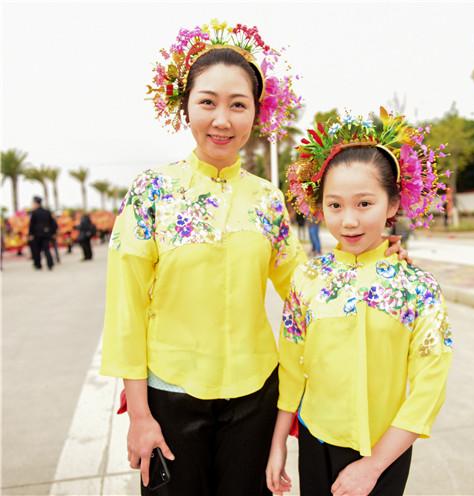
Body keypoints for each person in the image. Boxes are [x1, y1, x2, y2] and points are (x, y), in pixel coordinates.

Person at [100, 22, 407, 495]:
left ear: (255, 114)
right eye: (208, 102)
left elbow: (303, 284)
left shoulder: (267, 199)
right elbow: (125, 307)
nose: (222, 120)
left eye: (238, 105)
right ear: (185, 107)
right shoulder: (152, 191)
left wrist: (372, 261)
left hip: (255, 398)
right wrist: (140, 415)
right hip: (170, 396)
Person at [268, 109, 454, 496]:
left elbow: (429, 386)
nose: (348, 220)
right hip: (315, 442)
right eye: (335, 205)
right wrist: (278, 445)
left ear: (392, 204)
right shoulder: (307, 278)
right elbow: (291, 366)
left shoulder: (417, 287)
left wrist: (373, 465)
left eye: (364, 204)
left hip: (386, 452)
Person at [28, 196, 57, 270]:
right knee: (46, 249)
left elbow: (31, 224)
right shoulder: (47, 212)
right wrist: (53, 232)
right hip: (46, 234)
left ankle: (38, 265)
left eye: (33, 203)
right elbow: (53, 223)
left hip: (37, 234)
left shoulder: (34, 213)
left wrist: (30, 234)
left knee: (37, 250)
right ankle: (50, 264)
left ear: (36, 204)